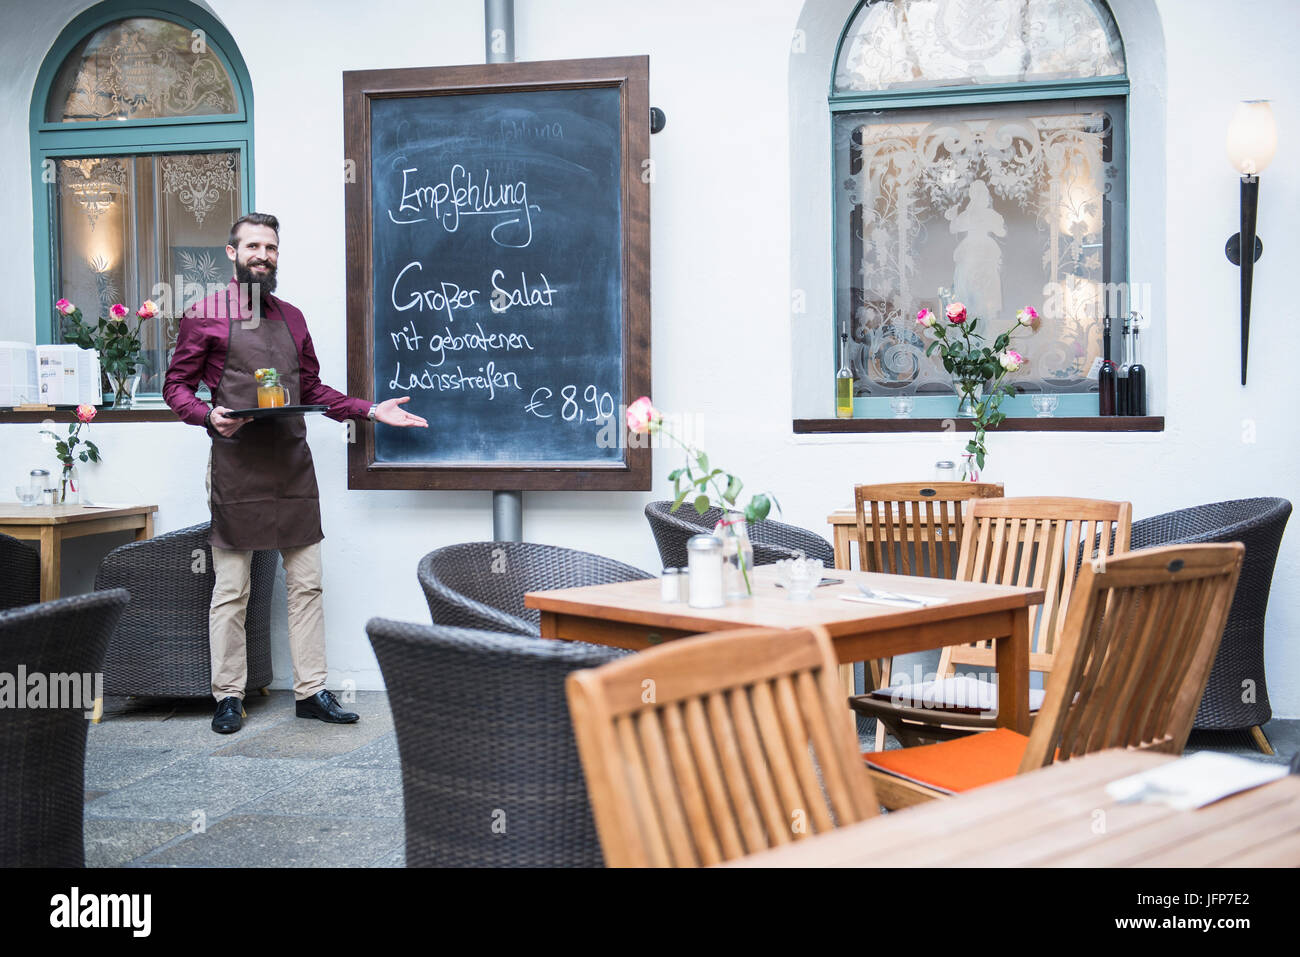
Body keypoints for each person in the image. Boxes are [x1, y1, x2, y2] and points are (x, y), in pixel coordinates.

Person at [164, 212, 427, 734]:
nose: (263, 255)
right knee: (232, 588)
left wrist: (371, 410)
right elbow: (177, 387)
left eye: (272, 248)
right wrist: (207, 416)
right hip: (237, 466)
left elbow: (313, 392)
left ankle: (311, 691)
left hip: (290, 463)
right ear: (232, 253)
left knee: (307, 585)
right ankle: (228, 696)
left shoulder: (293, 318)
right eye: (254, 246)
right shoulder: (204, 315)